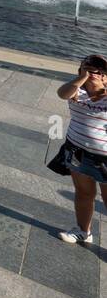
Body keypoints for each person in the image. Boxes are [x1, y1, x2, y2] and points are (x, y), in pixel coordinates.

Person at [49, 54, 107, 243]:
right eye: (90, 68)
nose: (95, 72)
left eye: (100, 70)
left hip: (104, 158)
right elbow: (62, 93)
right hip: (77, 151)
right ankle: (83, 231)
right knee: (83, 193)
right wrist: (83, 76)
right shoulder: (76, 91)